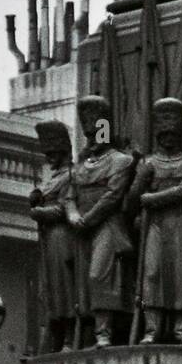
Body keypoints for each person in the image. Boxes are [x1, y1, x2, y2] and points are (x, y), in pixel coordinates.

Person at [127, 97, 182, 344]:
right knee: (152, 273)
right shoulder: (147, 163)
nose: (169, 138)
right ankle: (151, 329)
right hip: (156, 226)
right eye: (164, 134)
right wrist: (141, 178)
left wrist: (152, 198)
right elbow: (132, 199)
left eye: (173, 133)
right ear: (158, 135)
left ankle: (181, 329)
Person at [65, 95, 136, 348]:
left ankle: (105, 333)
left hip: (107, 225)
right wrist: (73, 215)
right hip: (83, 229)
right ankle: (94, 332)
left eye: (96, 132)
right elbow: (69, 196)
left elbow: (113, 195)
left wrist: (88, 218)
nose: (93, 139)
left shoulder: (121, 160)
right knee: (84, 283)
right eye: (89, 134)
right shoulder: (79, 167)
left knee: (99, 276)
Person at [28, 120, 78, 351]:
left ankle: (69, 336)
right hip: (49, 241)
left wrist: (39, 212)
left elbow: (63, 209)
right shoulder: (54, 178)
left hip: (63, 238)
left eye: (52, 153)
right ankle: (55, 335)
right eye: (47, 154)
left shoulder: (72, 175)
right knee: (50, 289)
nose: (49, 158)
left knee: (65, 287)